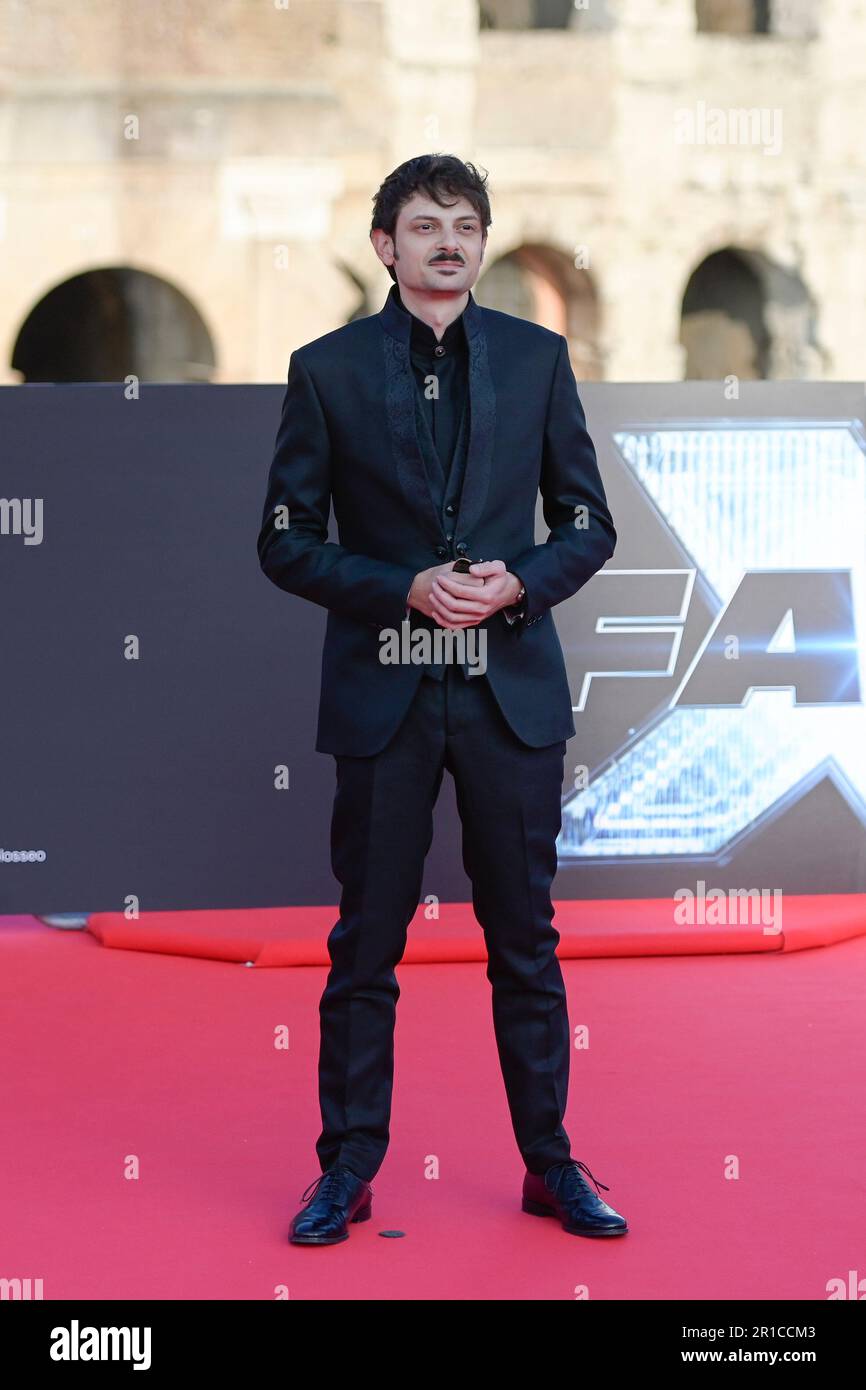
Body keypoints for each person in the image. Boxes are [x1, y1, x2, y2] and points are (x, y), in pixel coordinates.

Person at [257, 153, 627, 1244]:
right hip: (384, 696)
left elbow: (588, 522)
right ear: (386, 245)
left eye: (464, 223)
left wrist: (522, 578)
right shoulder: (324, 370)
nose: (448, 240)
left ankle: (551, 1163)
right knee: (364, 944)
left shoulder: (537, 357)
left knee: (526, 941)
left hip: (509, 692)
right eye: (424, 224)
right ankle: (347, 1168)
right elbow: (282, 542)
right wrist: (397, 586)